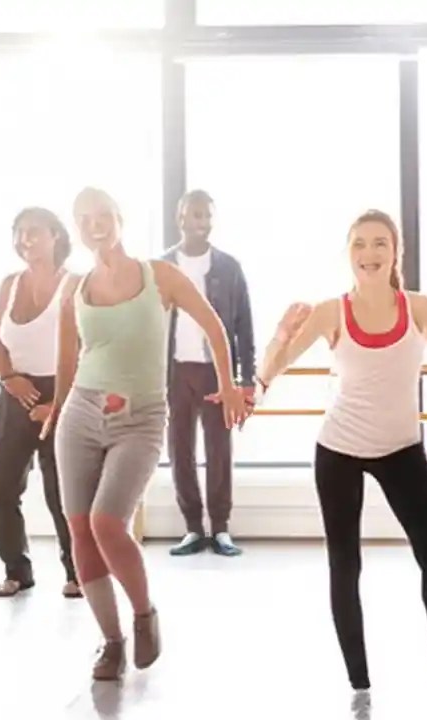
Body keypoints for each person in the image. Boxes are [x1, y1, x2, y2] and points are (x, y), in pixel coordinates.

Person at [256, 209, 427, 720]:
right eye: (360, 244)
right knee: (345, 566)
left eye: (380, 243)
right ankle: (360, 689)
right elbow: (275, 368)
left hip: (401, 448)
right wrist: (276, 337)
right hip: (338, 449)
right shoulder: (331, 311)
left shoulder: (419, 307)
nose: (370, 253)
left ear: (396, 251)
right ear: (348, 252)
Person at [41, 186, 248, 681]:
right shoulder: (74, 288)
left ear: (119, 217)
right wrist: (55, 412)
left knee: (107, 522)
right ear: (77, 225)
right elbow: (67, 359)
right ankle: (111, 641)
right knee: (79, 532)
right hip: (80, 415)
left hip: (142, 417)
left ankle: (143, 613)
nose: (96, 224)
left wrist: (230, 385)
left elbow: (214, 326)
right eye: (85, 217)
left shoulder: (161, 276)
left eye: (104, 215)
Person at [0, 207, 79, 599]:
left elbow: (85, 349)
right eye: (19, 232)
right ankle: (16, 571)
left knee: (62, 492)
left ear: (55, 235)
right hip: (13, 396)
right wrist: (9, 378)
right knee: (1, 488)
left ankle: (76, 572)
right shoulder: (9, 284)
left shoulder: (74, 284)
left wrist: (56, 402)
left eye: (34, 232)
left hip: (62, 393)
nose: (25, 240)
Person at [161, 189, 254, 557]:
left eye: (207, 216)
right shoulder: (163, 266)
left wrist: (245, 380)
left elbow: (244, 326)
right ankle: (193, 528)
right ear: (180, 218)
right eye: (194, 215)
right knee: (179, 448)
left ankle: (221, 528)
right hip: (174, 372)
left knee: (219, 449)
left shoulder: (229, 268)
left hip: (217, 374)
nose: (201, 222)